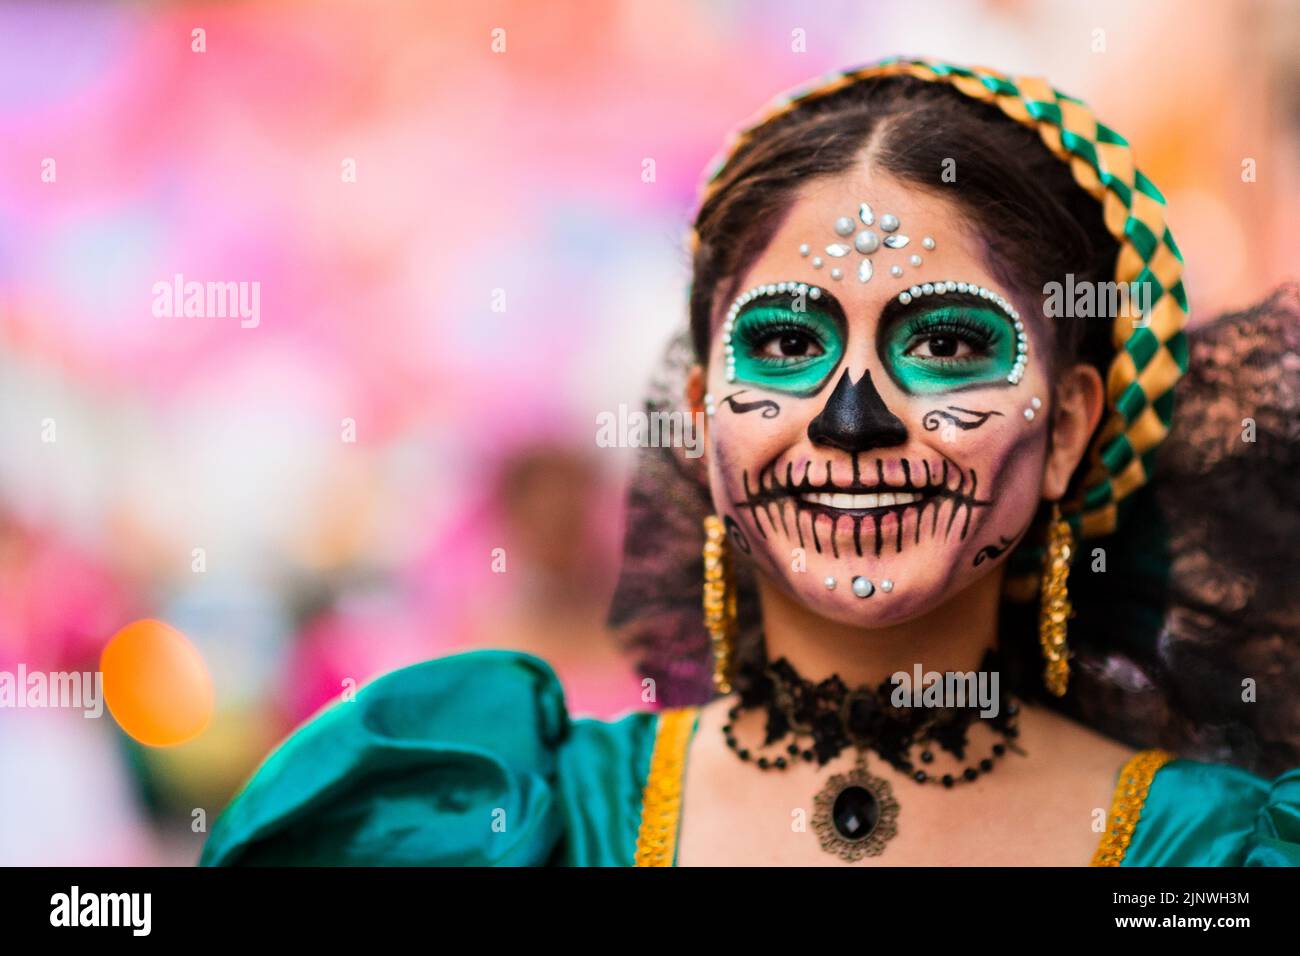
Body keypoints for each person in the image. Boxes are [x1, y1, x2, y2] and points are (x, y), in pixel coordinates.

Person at [200, 57, 1300, 867]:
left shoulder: (1214, 862)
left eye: (947, 345)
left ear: (1064, 428)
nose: (853, 420)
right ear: (699, 411)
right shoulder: (488, 818)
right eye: (786, 344)